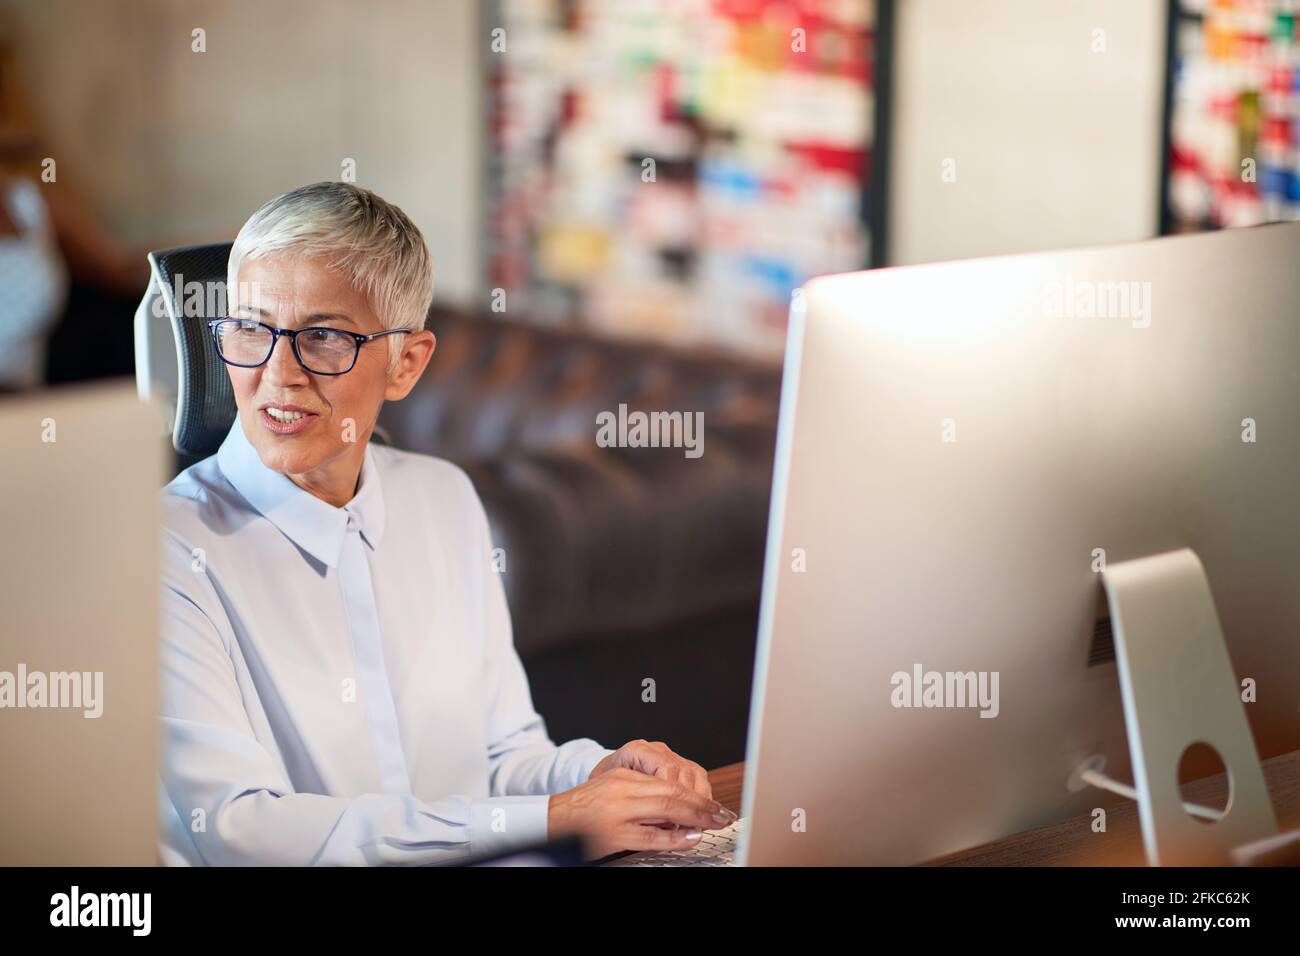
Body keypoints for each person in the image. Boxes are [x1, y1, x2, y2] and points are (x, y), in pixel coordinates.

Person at [158, 181, 734, 865]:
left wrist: (604, 775)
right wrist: (552, 815)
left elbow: (505, 753)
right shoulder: (167, 549)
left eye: (323, 337)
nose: (279, 374)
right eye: (251, 328)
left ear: (407, 363)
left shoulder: (444, 499)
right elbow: (241, 832)